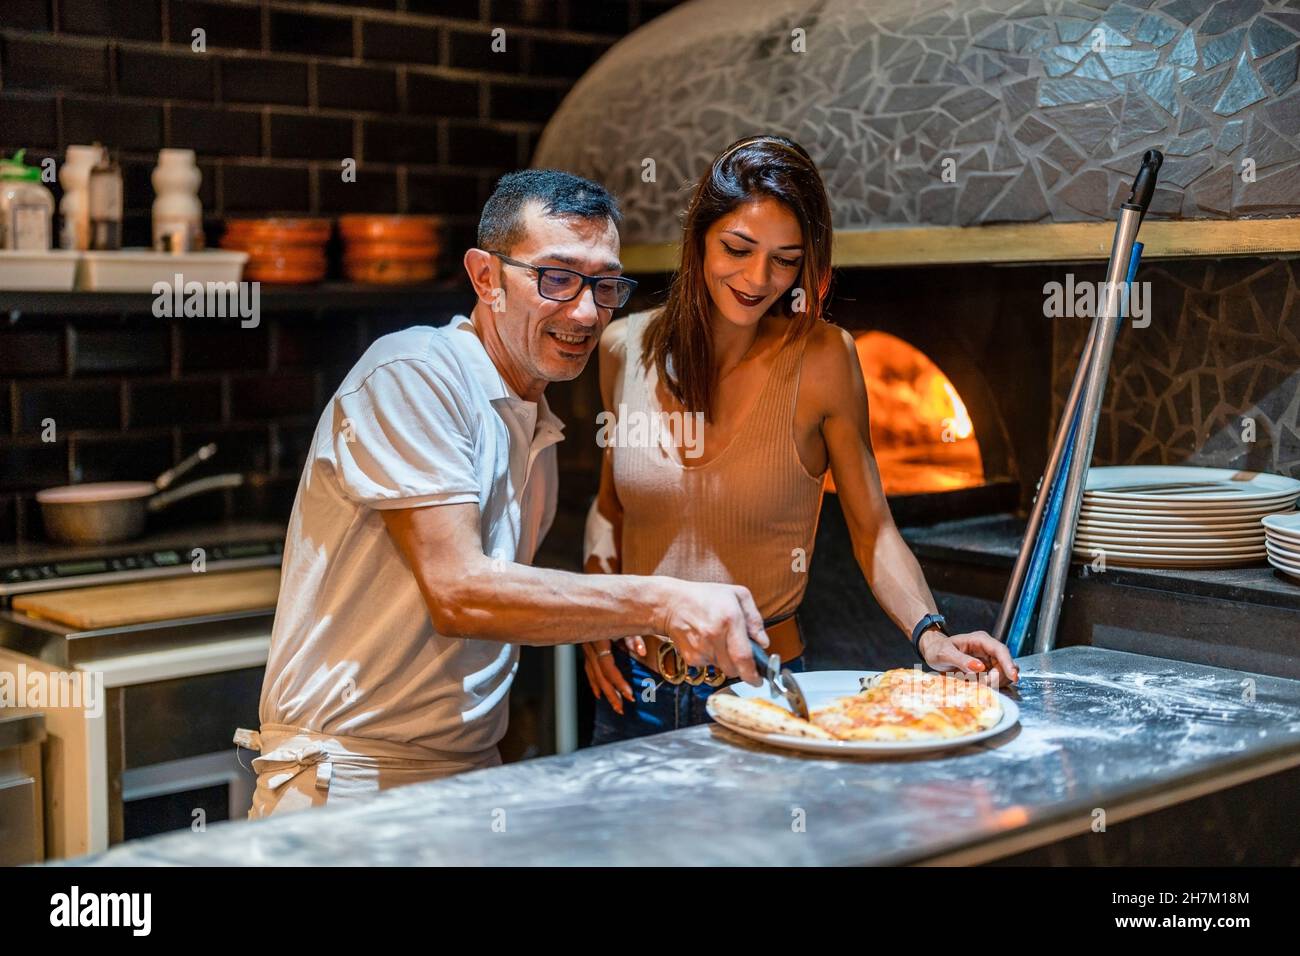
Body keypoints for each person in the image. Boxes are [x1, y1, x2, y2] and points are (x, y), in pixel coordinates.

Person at [245, 169, 767, 816]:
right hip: (349, 785)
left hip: (464, 780)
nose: (586, 313)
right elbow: (460, 593)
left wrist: (596, 618)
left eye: (606, 285)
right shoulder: (415, 372)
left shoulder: (533, 426)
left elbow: (491, 608)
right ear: (486, 277)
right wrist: (659, 604)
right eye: (556, 278)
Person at [582, 135, 1019, 742]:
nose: (758, 278)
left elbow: (875, 531)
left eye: (784, 259)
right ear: (699, 238)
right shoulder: (622, 348)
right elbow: (610, 509)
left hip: (764, 692)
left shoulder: (822, 359)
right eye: (737, 248)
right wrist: (596, 613)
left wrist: (931, 633)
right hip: (635, 694)